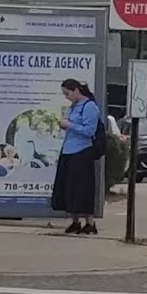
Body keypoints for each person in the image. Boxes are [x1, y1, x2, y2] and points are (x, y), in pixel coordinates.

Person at [52, 79, 101, 234]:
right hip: (68, 151)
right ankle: (75, 221)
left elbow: (89, 131)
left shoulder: (89, 107)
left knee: (83, 188)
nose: (66, 97)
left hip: (82, 152)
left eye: (67, 93)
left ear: (76, 90)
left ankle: (90, 223)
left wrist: (69, 125)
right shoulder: (74, 106)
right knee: (70, 188)